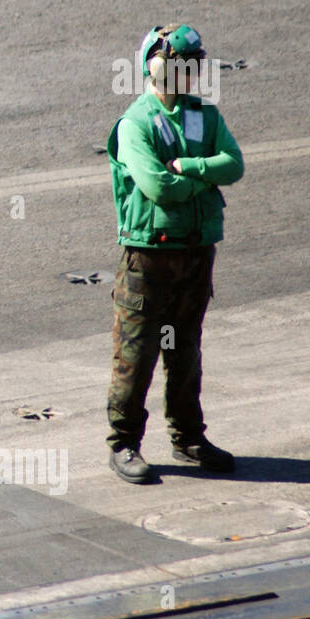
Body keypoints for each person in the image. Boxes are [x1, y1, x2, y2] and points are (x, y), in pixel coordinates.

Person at [105, 24, 244, 483]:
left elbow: (235, 165)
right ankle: (123, 443)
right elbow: (156, 187)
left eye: (194, 65)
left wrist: (192, 166)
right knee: (136, 354)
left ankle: (188, 438)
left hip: (195, 253)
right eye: (180, 64)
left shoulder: (203, 116)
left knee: (184, 351)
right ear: (155, 66)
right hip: (148, 259)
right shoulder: (135, 124)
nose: (189, 73)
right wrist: (206, 178)